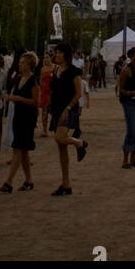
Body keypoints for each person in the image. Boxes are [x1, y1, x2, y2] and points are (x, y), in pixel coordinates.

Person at [49, 41, 87, 195]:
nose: (56, 55)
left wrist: (68, 108)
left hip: (69, 109)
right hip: (57, 109)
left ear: (66, 54)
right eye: (55, 52)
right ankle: (66, 184)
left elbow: (78, 93)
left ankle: (79, 142)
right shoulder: (56, 70)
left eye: (59, 52)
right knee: (61, 147)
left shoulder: (74, 71)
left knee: (59, 138)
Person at [0, 51, 39, 192]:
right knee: (23, 151)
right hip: (18, 115)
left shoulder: (33, 80)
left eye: (23, 63)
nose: (20, 65)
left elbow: (36, 102)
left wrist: (18, 99)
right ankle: (29, 181)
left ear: (29, 65)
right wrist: (10, 97)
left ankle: (8, 182)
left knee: (17, 149)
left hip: (27, 118)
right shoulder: (20, 78)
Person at [118, 46, 135, 169]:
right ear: (130, 57)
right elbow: (121, 90)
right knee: (131, 129)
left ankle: (133, 158)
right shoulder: (126, 71)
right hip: (129, 101)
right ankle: (125, 159)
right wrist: (132, 93)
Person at [38, 53, 54, 136]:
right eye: (44, 58)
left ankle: (57, 129)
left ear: (51, 58)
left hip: (54, 92)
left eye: (47, 57)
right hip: (44, 92)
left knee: (55, 111)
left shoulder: (55, 67)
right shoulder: (43, 69)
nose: (45, 59)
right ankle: (45, 130)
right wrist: (42, 87)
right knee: (44, 112)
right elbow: (40, 80)